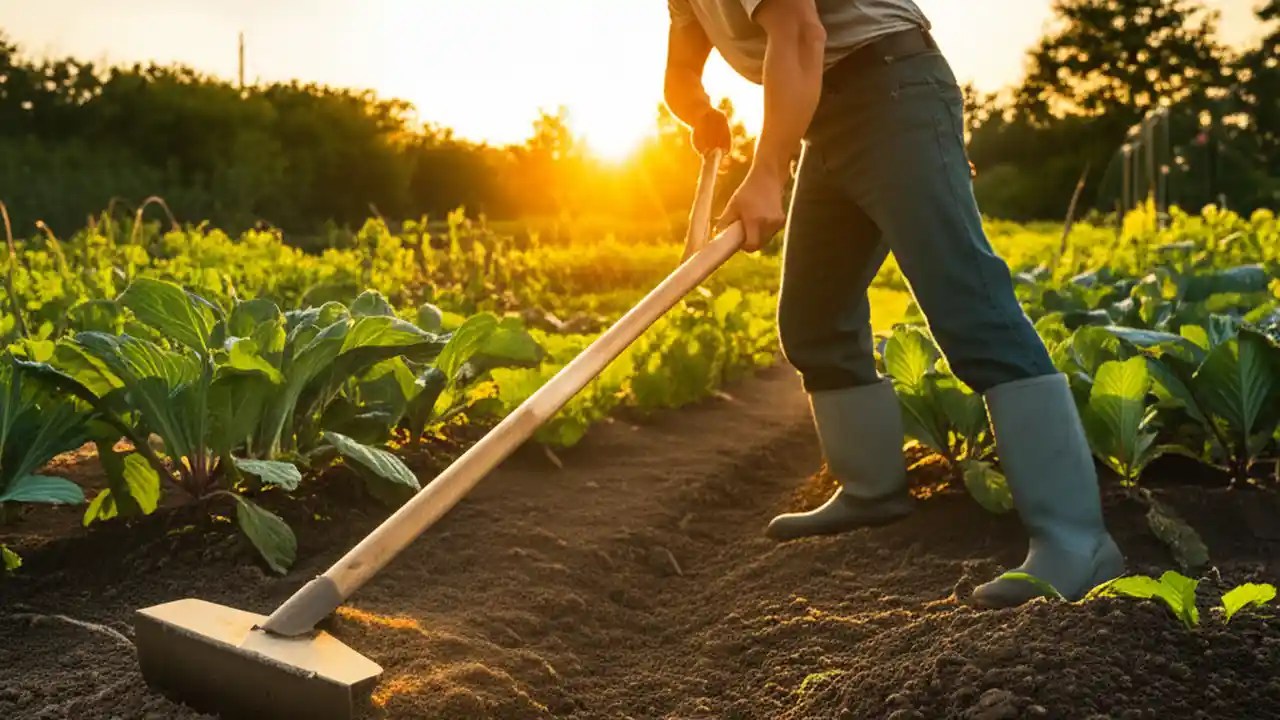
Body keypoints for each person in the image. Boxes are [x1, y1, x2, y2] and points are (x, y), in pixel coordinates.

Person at [662, 0, 1124, 608]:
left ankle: (1077, 540)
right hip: (823, 113)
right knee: (813, 319)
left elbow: (800, 32)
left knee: (968, 304)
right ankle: (871, 490)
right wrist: (700, 112)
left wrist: (768, 170)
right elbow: (681, 67)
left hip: (892, 89)